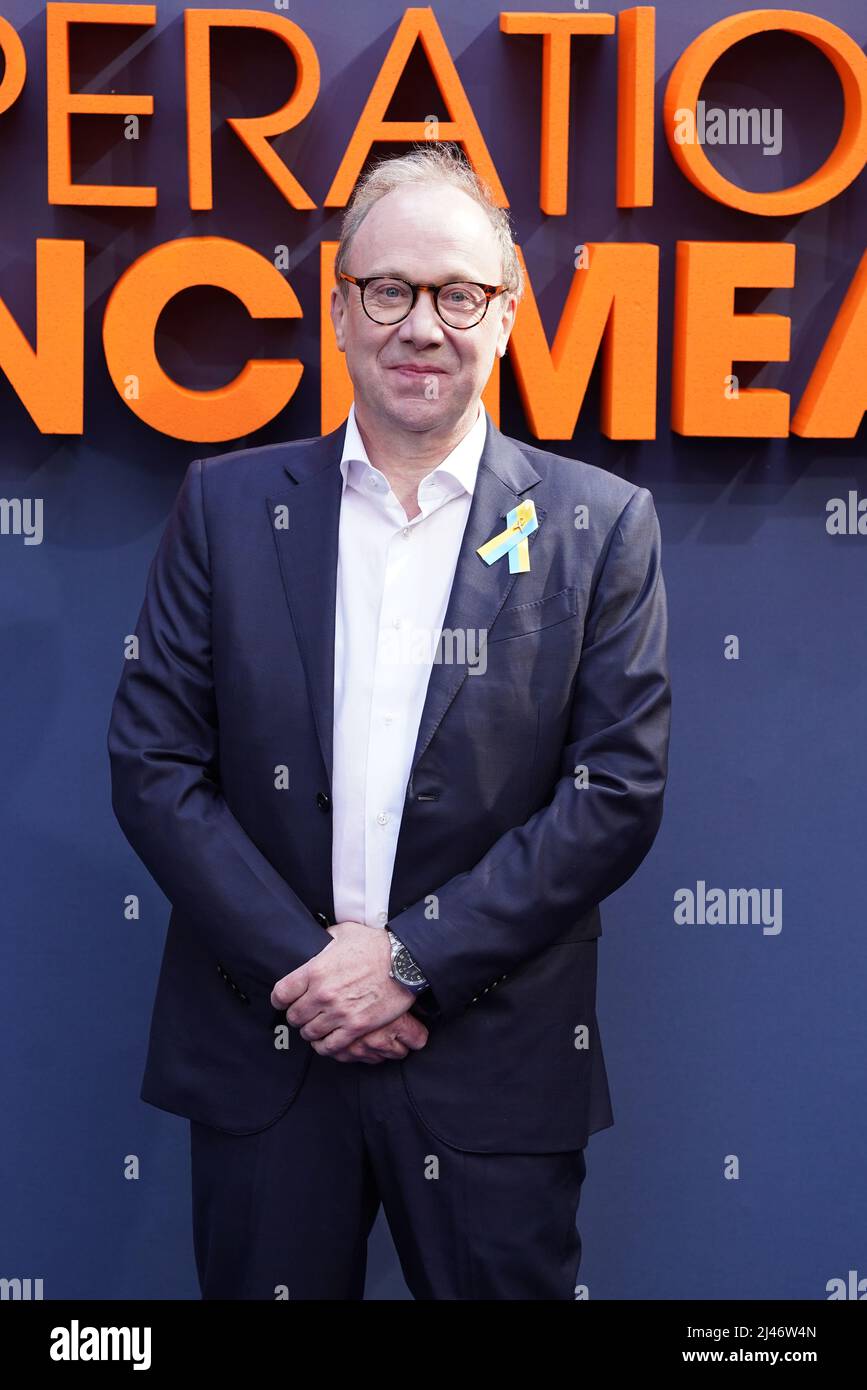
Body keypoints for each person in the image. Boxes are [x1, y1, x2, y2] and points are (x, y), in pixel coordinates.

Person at [107, 141, 671, 1300]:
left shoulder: (602, 525)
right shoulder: (223, 507)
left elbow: (615, 793)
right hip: (271, 1050)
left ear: (507, 314)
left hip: (494, 1066)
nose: (424, 324)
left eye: (459, 292)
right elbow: (155, 766)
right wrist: (316, 972)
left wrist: (410, 962)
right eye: (390, 290)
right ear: (341, 309)